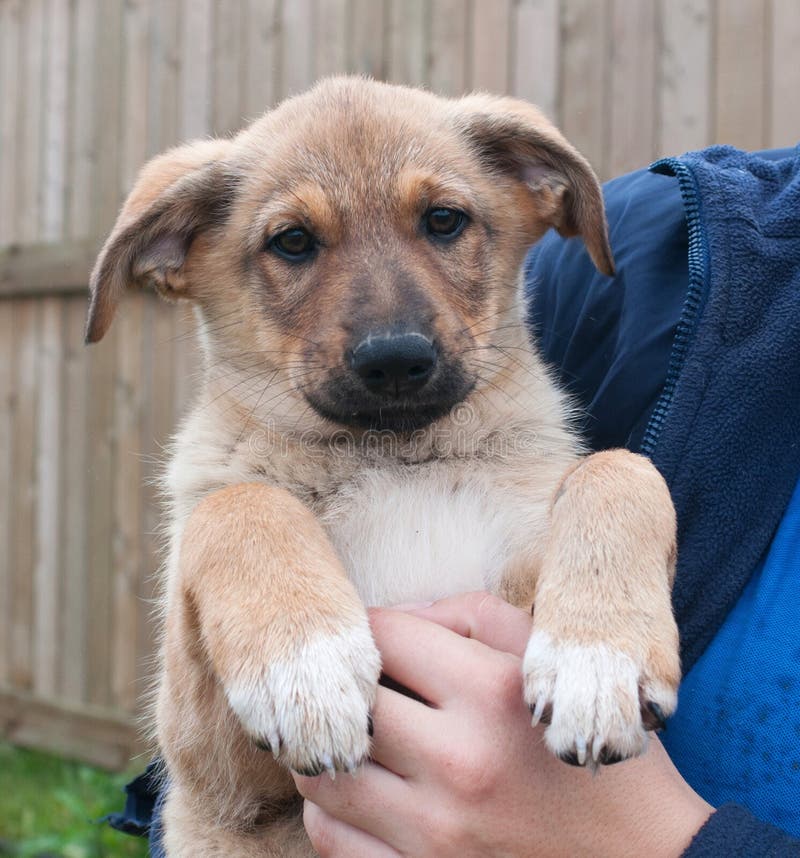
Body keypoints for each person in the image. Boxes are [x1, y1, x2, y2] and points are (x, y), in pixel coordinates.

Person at [111, 146, 800, 856]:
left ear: (537, 195)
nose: (389, 333)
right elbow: (221, 793)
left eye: (443, 221)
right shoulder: (684, 243)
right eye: (294, 241)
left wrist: (621, 506)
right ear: (178, 251)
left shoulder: (543, 464)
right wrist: (237, 533)